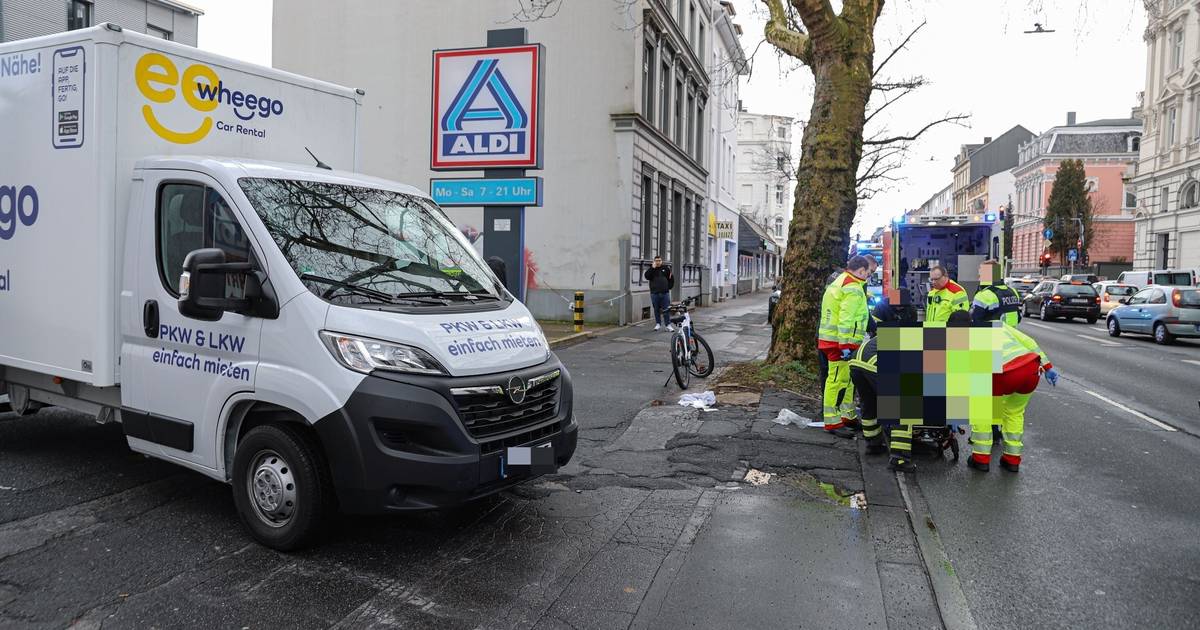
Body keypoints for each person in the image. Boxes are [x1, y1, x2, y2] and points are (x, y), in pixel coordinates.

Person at [946, 311, 1057, 473]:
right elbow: (1029, 342)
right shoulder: (997, 326)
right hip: (1030, 370)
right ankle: (1012, 460)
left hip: (1004, 373)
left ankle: (980, 460)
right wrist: (1048, 367)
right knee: (1014, 413)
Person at [817, 255, 872, 437]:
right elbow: (846, 319)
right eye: (868, 272)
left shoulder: (841, 280)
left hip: (834, 340)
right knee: (837, 380)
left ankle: (847, 416)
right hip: (840, 342)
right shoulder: (853, 287)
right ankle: (832, 421)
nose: (868, 276)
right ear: (861, 270)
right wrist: (845, 344)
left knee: (847, 380)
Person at [848, 303, 898, 460]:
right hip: (873, 362)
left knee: (869, 402)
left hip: (856, 360)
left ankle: (874, 444)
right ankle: (900, 457)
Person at [970, 260, 1022, 327]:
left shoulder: (983, 295)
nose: (979, 279)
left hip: (991, 335)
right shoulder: (1013, 291)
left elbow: (976, 321)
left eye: (981, 275)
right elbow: (1018, 318)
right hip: (1010, 334)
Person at [644, 256, 674, 332]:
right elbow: (647, 276)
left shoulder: (666, 268)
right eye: (656, 260)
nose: (658, 262)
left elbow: (671, 278)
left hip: (665, 293)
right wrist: (652, 268)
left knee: (666, 309)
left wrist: (668, 287)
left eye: (659, 260)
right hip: (654, 293)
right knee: (656, 309)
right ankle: (658, 324)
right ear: (654, 261)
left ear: (661, 261)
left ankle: (668, 325)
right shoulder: (651, 269)